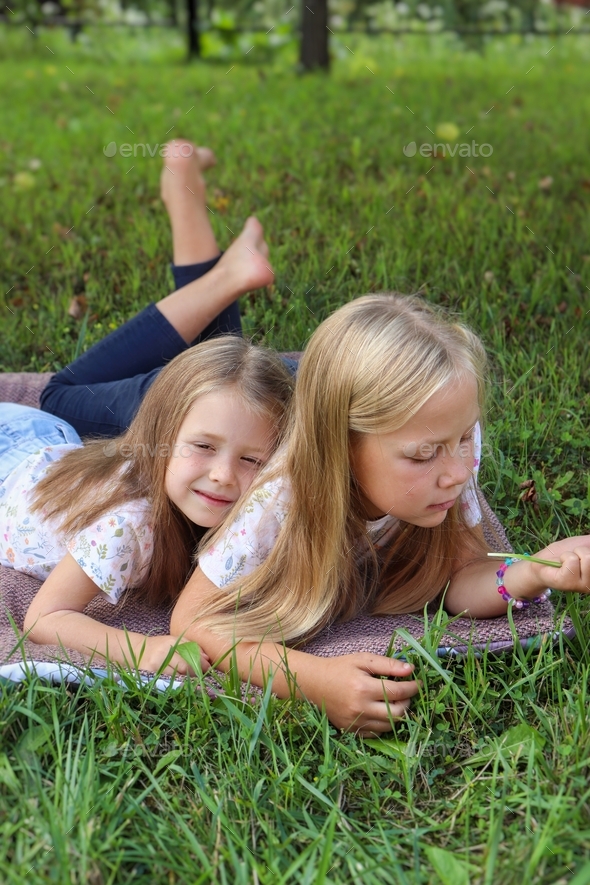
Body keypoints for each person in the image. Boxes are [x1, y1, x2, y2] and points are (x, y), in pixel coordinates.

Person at [168, 293, 590, 734]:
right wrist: (314, 681)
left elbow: (461, 575)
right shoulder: (279, 499)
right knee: (93, 399)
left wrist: (532, 572)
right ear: (343, 448)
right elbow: (191, 622)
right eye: (423, 454)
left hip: (308, 385)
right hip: (191, 401)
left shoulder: (452, 452)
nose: (459, 472)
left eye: (467, 436)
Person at [0, 336, 292, 675]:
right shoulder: (129, 524)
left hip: (47, 438)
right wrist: (141, 650)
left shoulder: (257, 512)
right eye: (203, 446)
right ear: (160, 437)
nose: (224, 475)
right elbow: (45, 618)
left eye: (252, 459)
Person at [40, 141, 296, 439]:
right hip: (320, 398)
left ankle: (204, 235)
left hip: (315, 391)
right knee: (225, 371)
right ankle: (188, 205)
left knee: (60, 401)